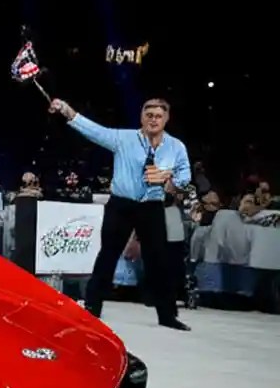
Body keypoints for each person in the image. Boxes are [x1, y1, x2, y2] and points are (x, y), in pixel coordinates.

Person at [49, 97, 191, 330]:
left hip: (152, 206)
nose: (153, 119)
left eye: (158, 116)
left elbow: (185, 176)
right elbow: (93, 130)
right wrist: (66, 111)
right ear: (142, 117)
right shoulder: (123, 139)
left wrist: (167, 176)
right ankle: (92, 308)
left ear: (166, 118)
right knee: (107, 256)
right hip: (121, 205)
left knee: (158, 261)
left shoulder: (176, 147)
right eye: (149, 115)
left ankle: (167, 316)